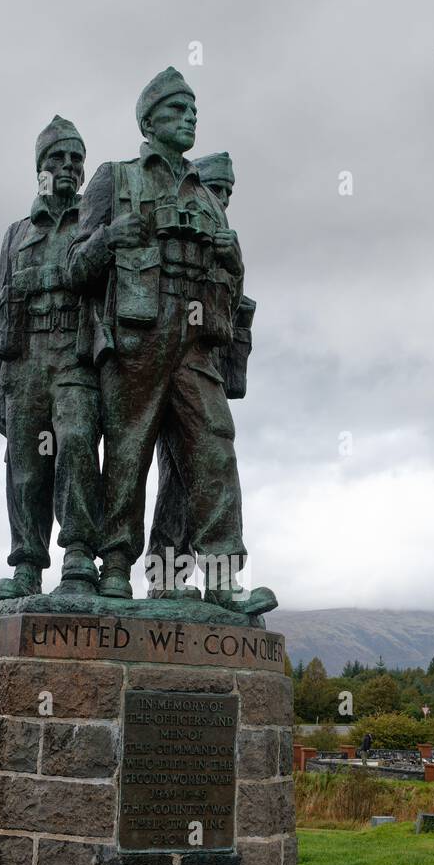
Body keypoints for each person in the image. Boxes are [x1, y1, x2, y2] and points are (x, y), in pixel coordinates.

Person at [66, 67, 275, 616]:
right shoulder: (116, 177)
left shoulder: (206, 195)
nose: (189, 120)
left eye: (193, 112)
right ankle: (114, 565)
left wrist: (233, 256)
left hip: (196, 340)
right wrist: (109, 240)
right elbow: (75, 267)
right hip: (139, 334)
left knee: (213, 447)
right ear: (148, 120)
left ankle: (224, 576)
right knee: (128, 450)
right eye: (177, 111)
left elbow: (233, 280)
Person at [0, 115, 102, 602]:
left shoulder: (95, 222)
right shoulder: (16, 234)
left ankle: (78, 555)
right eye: (59, 158)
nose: (70, 166)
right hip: (25, 359)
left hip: (75, 356)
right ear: (40, 168)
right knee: (27, 464)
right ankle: (27, 565)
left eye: (76, 158)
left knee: (76, 443)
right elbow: (0, 305)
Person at [146, 150, 256, 598]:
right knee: (168, 477)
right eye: (215, 189)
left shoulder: (225, 244)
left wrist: (236, 266)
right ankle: (161, 577)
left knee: (204, 467)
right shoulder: (176, 227)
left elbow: (230, 314)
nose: (222, 200)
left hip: (201, 367)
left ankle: (192, 578)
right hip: (153, 355)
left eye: (228, 192)